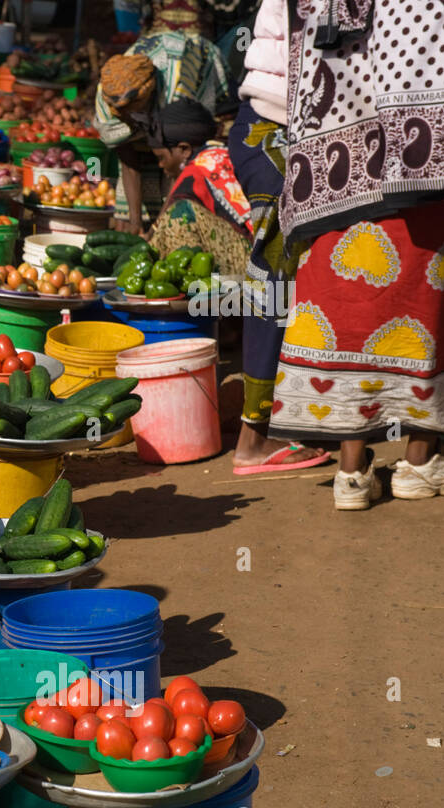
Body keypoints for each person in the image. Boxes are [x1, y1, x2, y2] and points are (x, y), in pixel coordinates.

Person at [269, 0, 444, 509]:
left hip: (331, 167)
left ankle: (351, 474)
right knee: (419, 302)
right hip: (418, 162)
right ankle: (416, 462)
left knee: (344, 310)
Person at [224, 0, 329, 474]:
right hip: (274, 130)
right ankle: (252, 441)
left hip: (289, 132)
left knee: (296, 273)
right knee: (273, 275)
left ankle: (292, 417)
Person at [95, 30, 231, 233]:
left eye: (132, 112)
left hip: (196, 69)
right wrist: (135, 222)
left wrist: (158, 229)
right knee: (132, 216)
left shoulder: (179, 90)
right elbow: (128, 159)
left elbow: (179, 161)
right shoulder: (108, 98)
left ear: (147, 99)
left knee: (175, 167)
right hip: (155, 113)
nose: (126, 116)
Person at [145, 99, 251, 274]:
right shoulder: (223, 153)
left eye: (161, 158)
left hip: (245, 265)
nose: (160, 165)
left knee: (178, 216)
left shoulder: (195, 172)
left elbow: (163, 222)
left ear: (185, 149)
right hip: (263, 258)